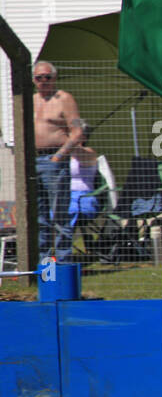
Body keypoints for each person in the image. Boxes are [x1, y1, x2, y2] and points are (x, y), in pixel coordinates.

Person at [33, 61, 86, 259]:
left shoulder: (64, 99)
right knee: (39, 216)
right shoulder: (30, 100)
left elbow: (77, 132)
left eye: (47, 77)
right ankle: (44, 264)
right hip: (32, 162)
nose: (44, 81)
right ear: (33, 80)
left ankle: (63, 263)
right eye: (39, 78)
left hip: (54, 160)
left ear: (54, 78)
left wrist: (59, 156)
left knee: (59, 214)